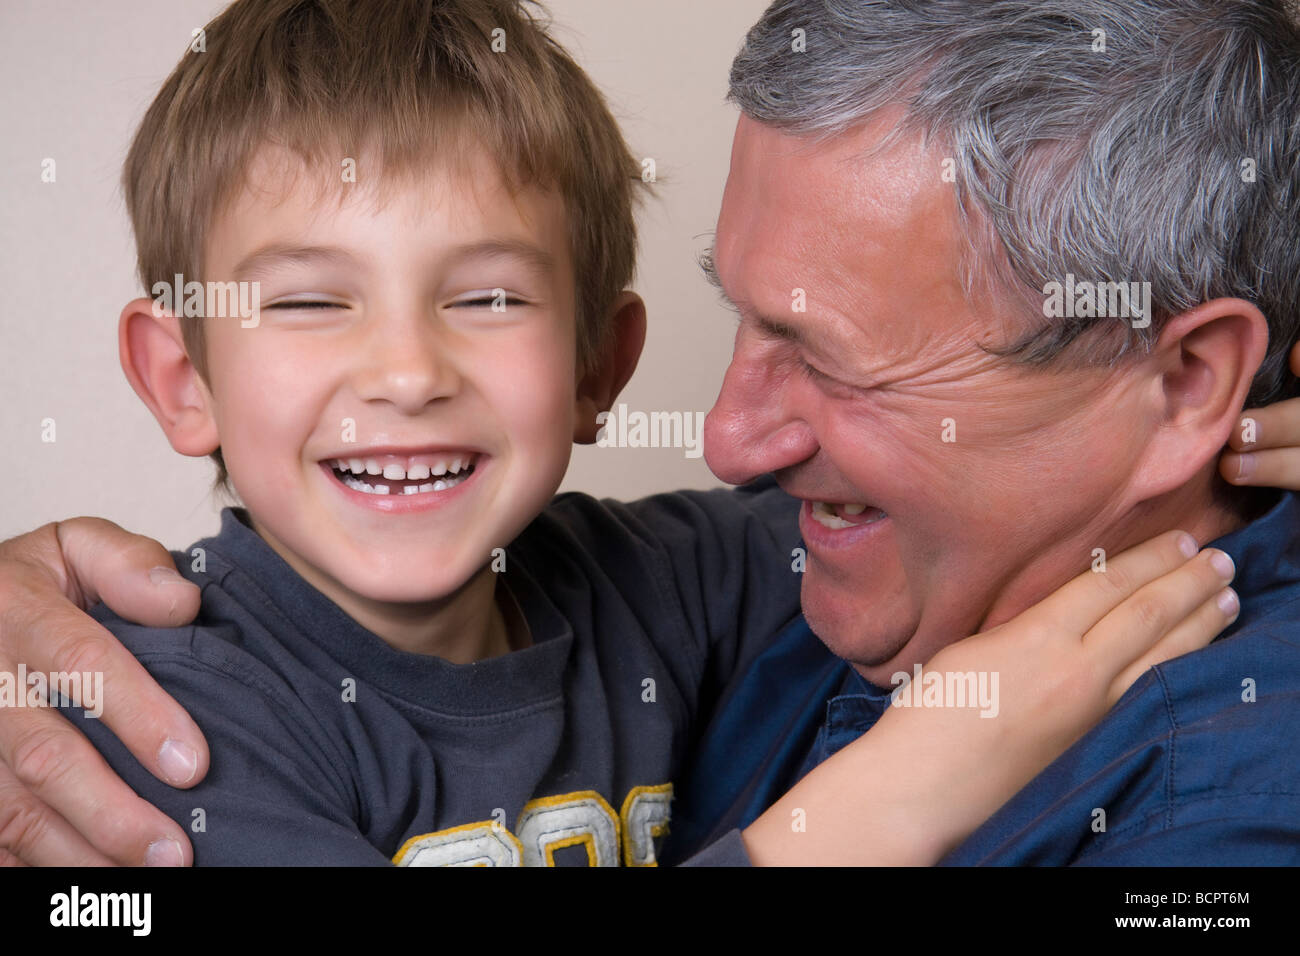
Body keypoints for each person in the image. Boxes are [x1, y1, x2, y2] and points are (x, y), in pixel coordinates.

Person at [0, 0, 1293, 867]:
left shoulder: (1224, 808)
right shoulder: (155, 724)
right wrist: (874, 810)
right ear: (181, 374)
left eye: (488, 298)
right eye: (307, 303)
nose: (728, 441)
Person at [667, 0, 1300, 865]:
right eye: (746, 316)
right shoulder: (730, 585)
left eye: (833, 363)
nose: (729, 442)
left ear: (1185, 385)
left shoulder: (1230, 826)